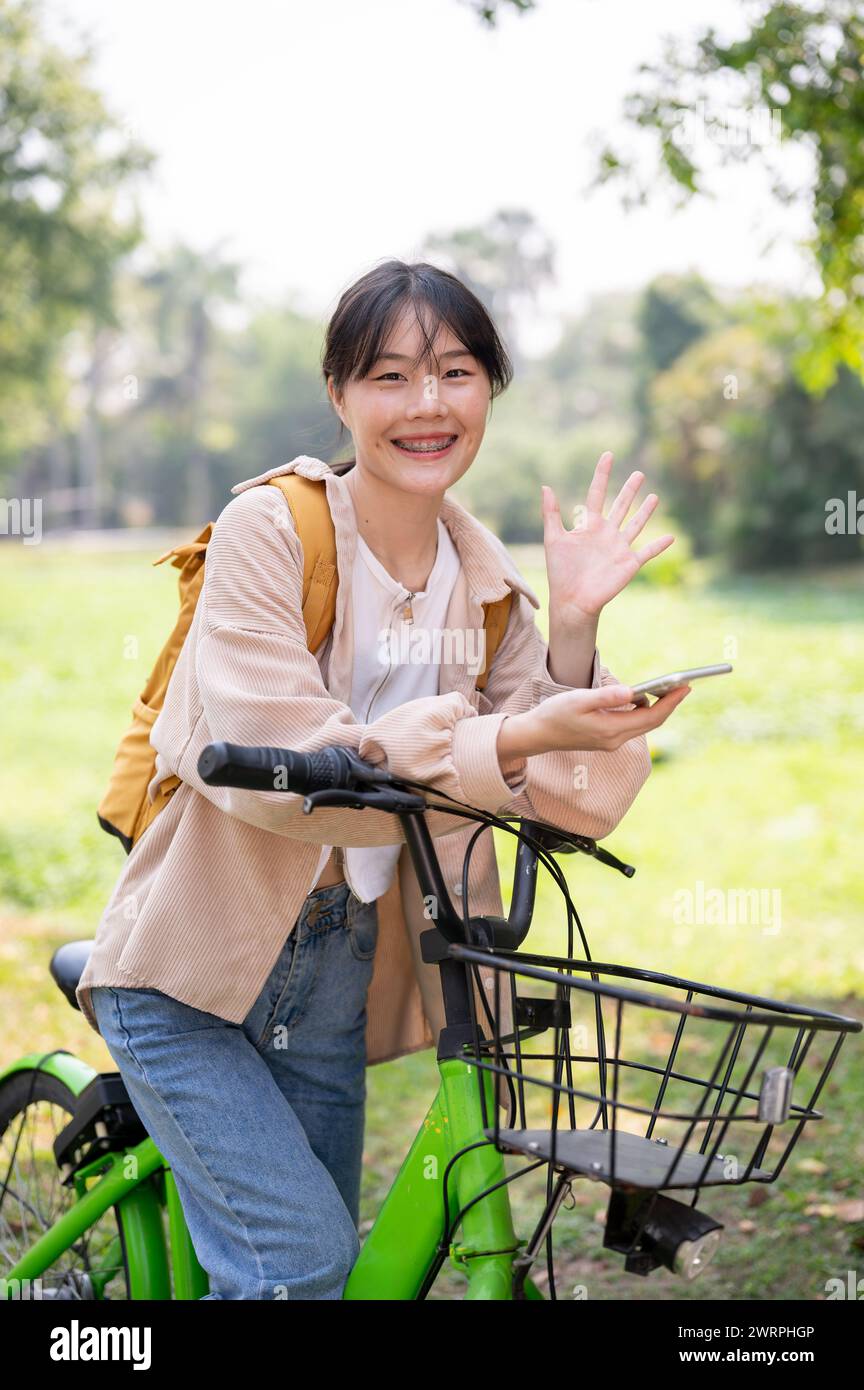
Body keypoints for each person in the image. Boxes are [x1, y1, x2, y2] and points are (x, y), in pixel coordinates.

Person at [78, 259, 691, 1300]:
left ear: (489, 388)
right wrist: (493, 739)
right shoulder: (274, 530)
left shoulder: (484, 579)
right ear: (340, 394)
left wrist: (577, 626)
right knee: (301, 1265)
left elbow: (573, 790)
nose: (427, 404)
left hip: (334, 963)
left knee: (342, 1275)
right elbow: (280, 751)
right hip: (187, 963)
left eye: (455, 372)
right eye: (391, 375)